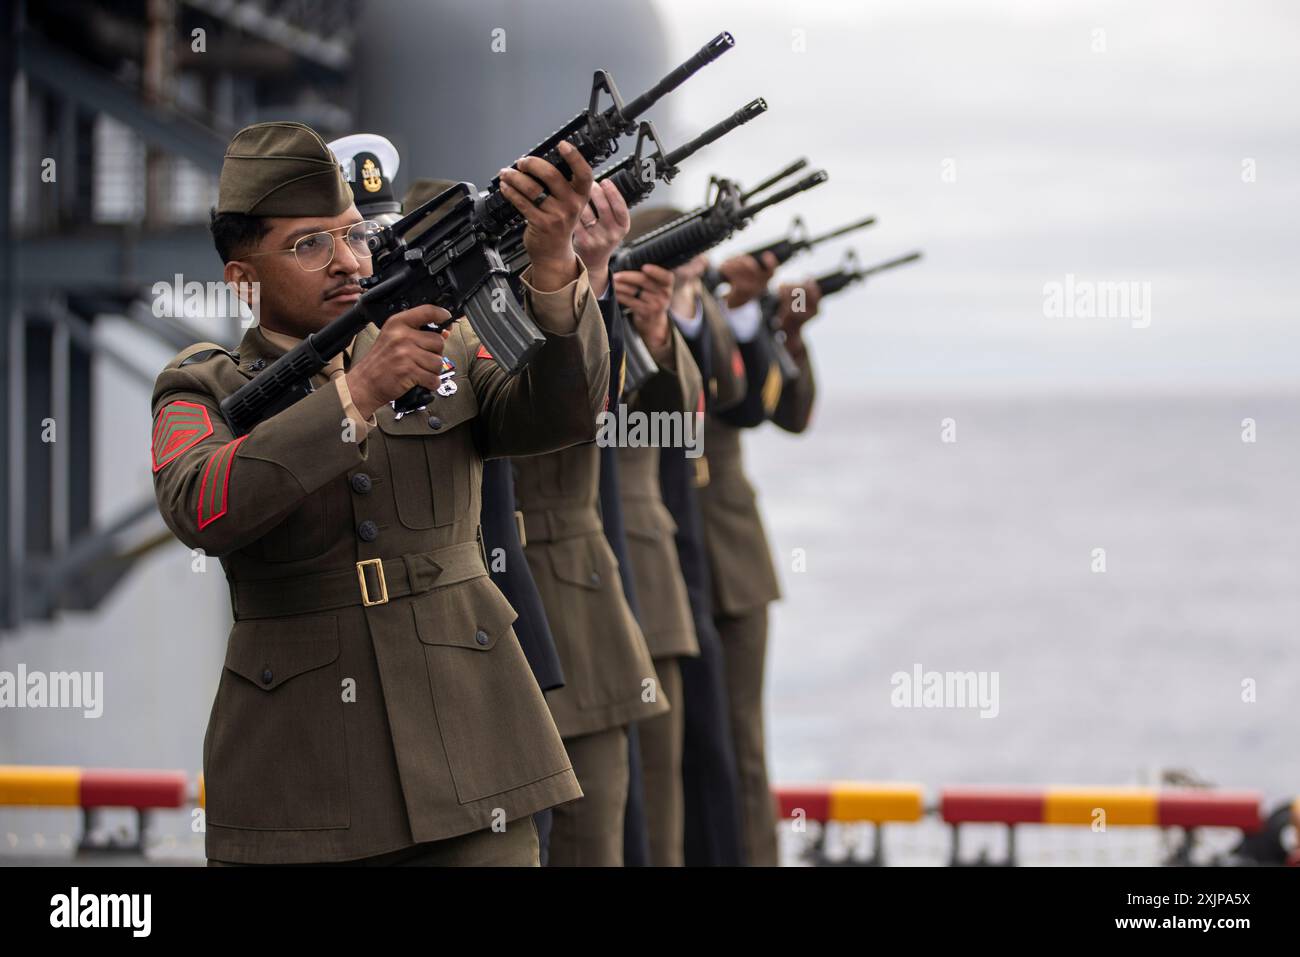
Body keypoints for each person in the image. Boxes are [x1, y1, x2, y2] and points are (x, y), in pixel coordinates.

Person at [150, 121, 608, 865]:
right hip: (301, 784)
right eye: (309, 245)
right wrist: (356, 395)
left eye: (354, 236)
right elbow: (202, 504)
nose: (346, 261)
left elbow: (568, 413)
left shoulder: (446, 342)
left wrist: (555, 265)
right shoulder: (203, 385)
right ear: (242, 277)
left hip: (476, 749)